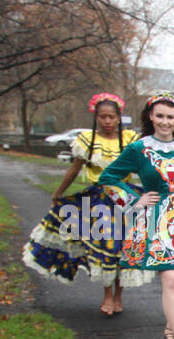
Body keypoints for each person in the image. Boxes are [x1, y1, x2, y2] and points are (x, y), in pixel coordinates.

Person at [98, 93, 174, 339]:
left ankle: (171, 329)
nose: (165, 122)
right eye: (159, 116)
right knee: (169, 279)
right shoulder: (139, 149)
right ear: (150, 116)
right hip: (156, 222)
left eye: (170, 117)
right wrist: (136, 199)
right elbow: (108, 177)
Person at [22, 92, 150, 314]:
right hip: (98, 201)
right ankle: (107, 295)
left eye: (111, 117)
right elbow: (74, 169)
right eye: (103, 117)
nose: (107, 121)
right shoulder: (87, 141)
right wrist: (58, 192)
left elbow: (144, 168)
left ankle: (119, 296)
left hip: (126, 200)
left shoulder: (130, 140)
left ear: (119, 118)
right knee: (105, 248)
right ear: (96, 117)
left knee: (123, 248)